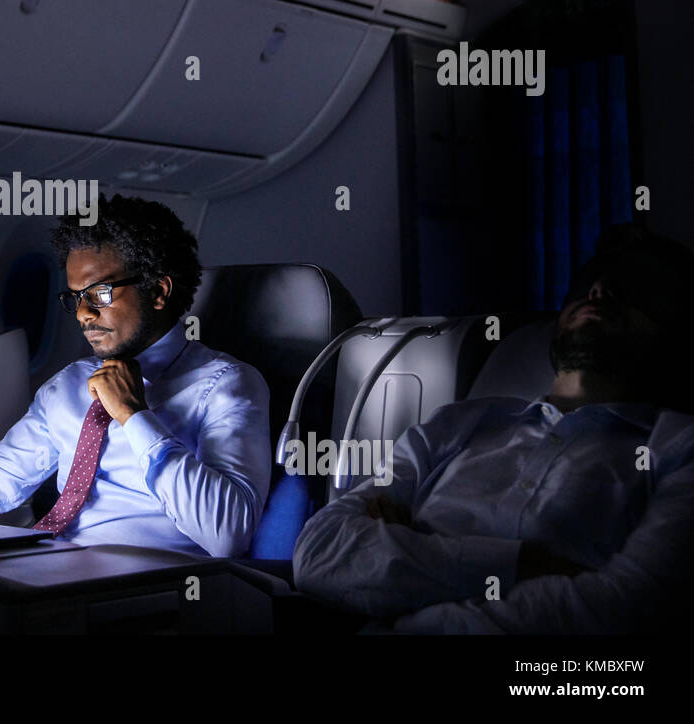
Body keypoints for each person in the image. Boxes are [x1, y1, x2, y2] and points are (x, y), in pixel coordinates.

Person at [293, 224, 694, 633]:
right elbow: (319, 553)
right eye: (590, 283)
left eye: (639, 291)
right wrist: (526, 564)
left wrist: (407, 559)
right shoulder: (458, 423)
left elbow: (625, 608)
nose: (600, 291)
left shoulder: (678, 447)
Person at [0, 194, 270, 557]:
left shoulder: (226, 384)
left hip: (151, 584)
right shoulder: (68, 384)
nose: (83, 313)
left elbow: (228, 535)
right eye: (75, 297)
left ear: (158, 291)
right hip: (52, 562)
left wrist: (134, 416)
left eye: (99, 293)